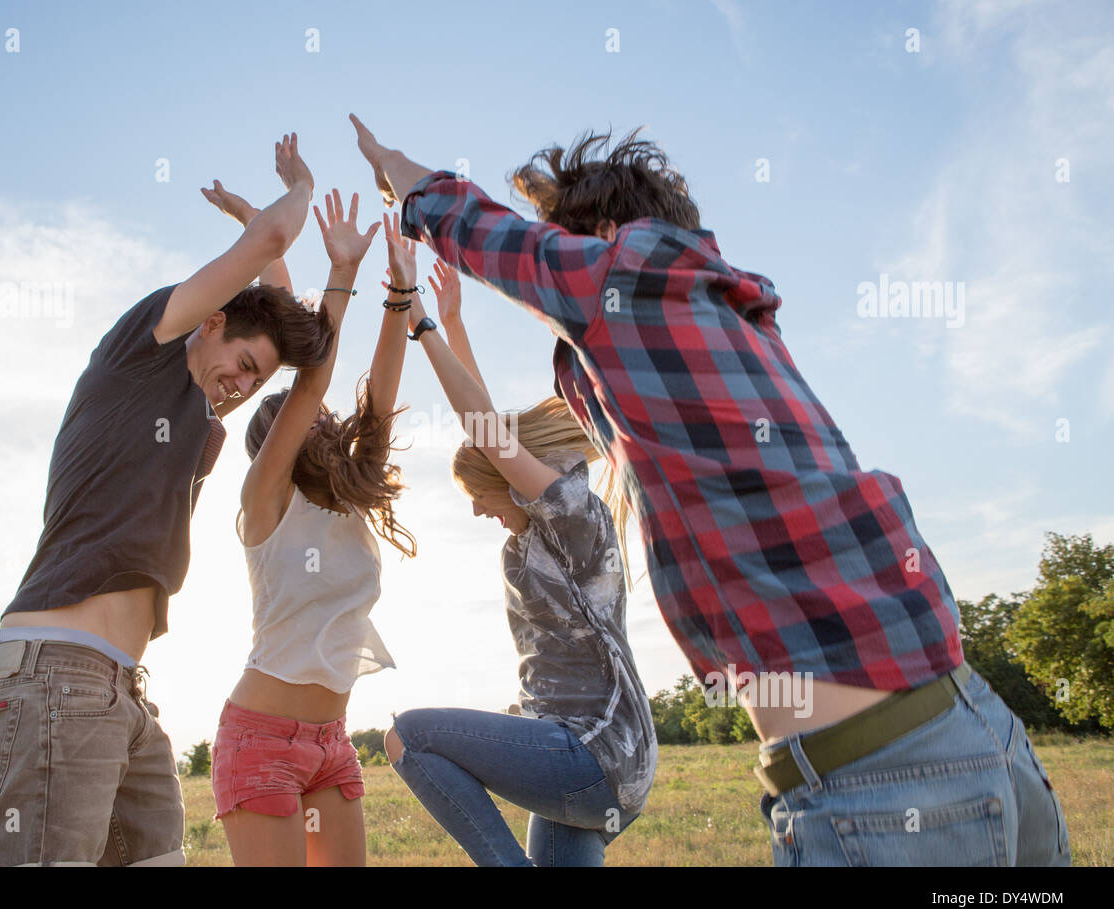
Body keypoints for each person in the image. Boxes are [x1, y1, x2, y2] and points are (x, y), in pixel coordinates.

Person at [349, 115, 1070, 866]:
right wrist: (460, 331)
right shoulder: (734, 330)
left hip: (879, 785)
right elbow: (522, 424)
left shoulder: (622, 279)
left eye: (565, 241)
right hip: (982, 733)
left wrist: (394, 169)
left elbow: (465, 224)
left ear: (603, 233)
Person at [0, 134, 326, 866]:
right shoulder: (142, 354)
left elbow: (284, 331)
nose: (241, 383)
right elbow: (272, 238)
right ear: (211, 322)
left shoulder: (196, 416)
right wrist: (296, 192)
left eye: (255, 382)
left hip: (120, 692)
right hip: (55, 676)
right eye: (241, 364)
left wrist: (267, 250)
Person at [383, 260, 657, 866]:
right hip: (587, 758)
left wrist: (421, 320)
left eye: (476, 496)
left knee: (410, 736)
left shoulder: (571, 515)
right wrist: (455, 324)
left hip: (591, 753)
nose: (478, 513)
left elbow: (485, 428)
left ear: (503, 480)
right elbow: (493, 425)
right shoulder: (548, 525)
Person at [212, 199, 416, 866]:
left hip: (332, 741)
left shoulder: (349, 498)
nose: (323, 418)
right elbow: (306, 384)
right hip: (259, 742)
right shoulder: (264, 504)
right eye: (308, 416)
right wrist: (336, 273)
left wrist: (398, 296)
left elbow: (379, 400)